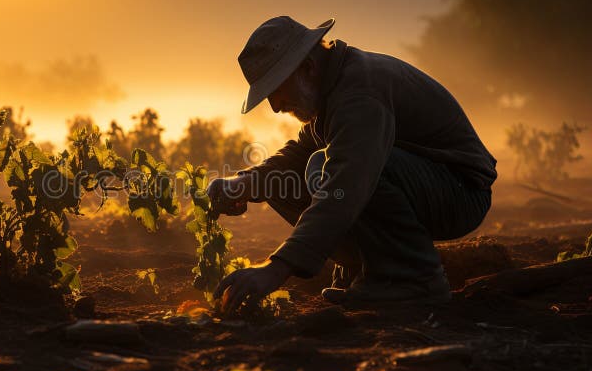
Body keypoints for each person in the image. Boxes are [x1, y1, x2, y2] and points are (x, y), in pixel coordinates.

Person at [208, 16, 496, 312]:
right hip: (426, 186)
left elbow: (347, 181)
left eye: (276, 90)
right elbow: (299, 155)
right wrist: (243, 183)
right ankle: (370, 267)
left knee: (329, 168)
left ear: (306, 68)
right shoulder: (332, 87)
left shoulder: (360, 93)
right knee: (293, 174)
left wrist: (275, 268)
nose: (275, 106)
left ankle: (413, 279)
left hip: (460, 192)